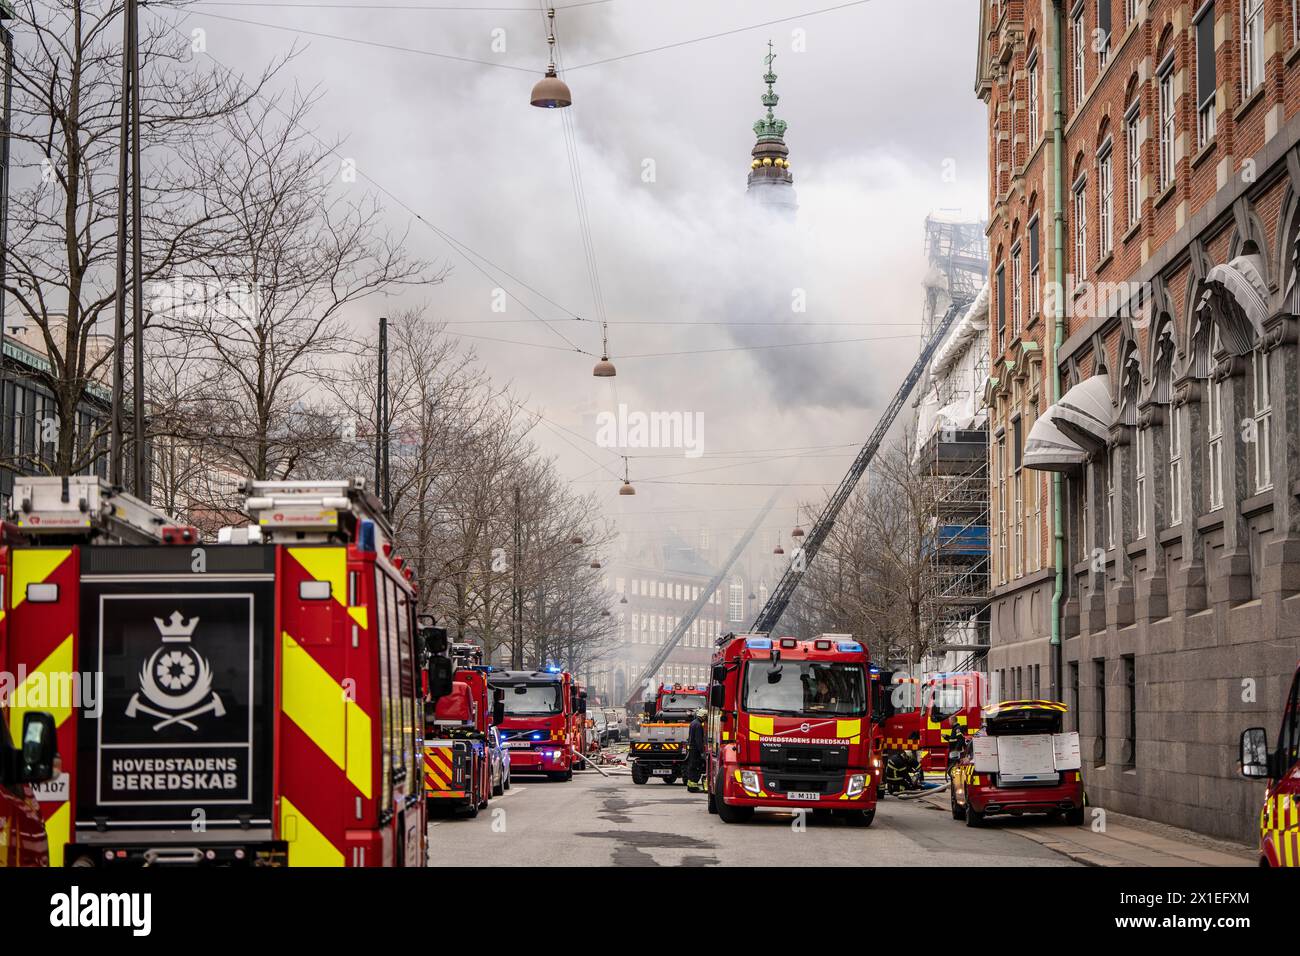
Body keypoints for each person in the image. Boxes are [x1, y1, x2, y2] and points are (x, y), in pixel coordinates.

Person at [684, 707, 706, 792]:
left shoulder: (693, 723)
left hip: (692, 749)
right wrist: (701, 752)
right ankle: (693, 787)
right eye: (705, 717)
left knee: (692, 767)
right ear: (703, 716)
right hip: (696, 750)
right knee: (696, 768)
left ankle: (690, 786)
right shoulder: (698, 725)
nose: (705, 719)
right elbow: (698, 740)